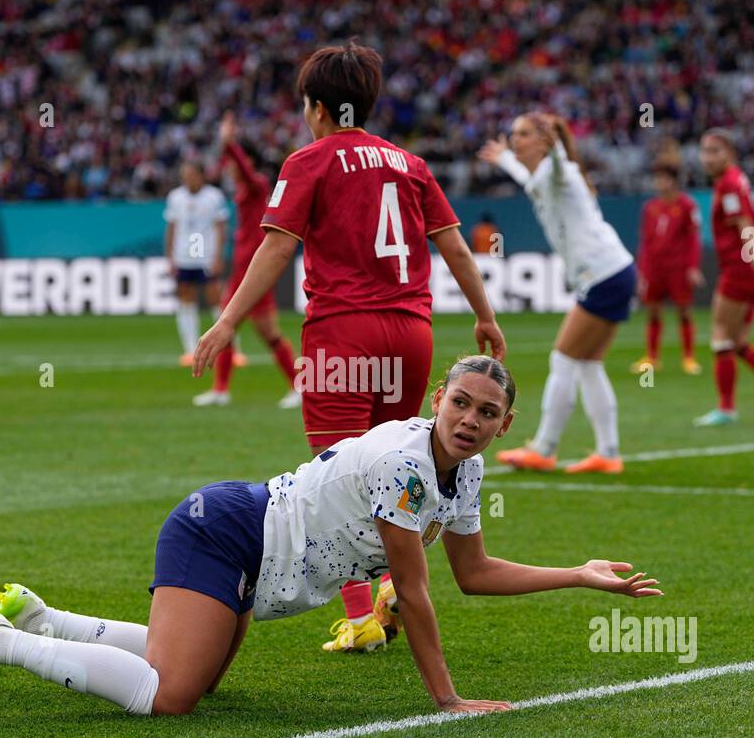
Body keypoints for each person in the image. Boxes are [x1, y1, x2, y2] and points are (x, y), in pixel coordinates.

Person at [0, 356, 662, 715]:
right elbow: (418, 594)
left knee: (195, 674)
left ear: (506, 424)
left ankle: (47, 619)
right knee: (172, 696)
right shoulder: (407, 463)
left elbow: (475, 573)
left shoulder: (464, 472)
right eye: (460, 402)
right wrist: (448, 700)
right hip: (226, 533)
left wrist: (578, 573)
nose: (470, 419)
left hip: (253, 553)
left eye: (486, 412)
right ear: (438, 398)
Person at [192, 41, 506, 654]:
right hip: (412, 333)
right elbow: (457, 249)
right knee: (393, 467)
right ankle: (391, 584)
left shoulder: (308, 161)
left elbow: (278, 247)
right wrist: (484, 315)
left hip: (344, 333)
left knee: (339, 479)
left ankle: (362, 616)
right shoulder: (411, 164)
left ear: (316, 108)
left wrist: (229, 320)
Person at [479, 113, 635, 475]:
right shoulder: (547, 174)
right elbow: (534, 182)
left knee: (563, 359)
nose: (515, 140)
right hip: (613, 272)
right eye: (513, 133)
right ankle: (608, 453)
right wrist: (507, 160)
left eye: (523, 134)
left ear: (544, 140)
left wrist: (513, 158)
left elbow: (547, 174)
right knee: (588, 365)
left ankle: (545, 448)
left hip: (604, 275)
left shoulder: (558, 167)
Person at [193, 111, 300, 408]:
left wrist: (229, 144)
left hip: (255, 271)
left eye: (232, 163)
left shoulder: (258, 185)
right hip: (241, 269)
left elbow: (242, 166)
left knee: (267, 333)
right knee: (226, 328)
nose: (228, 169)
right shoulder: (244, 190)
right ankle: (221, 390)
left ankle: (298, 386)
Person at [692, 128, 754, 427]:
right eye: (704, 151)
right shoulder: (734, 181)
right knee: (739, 341)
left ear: (730, 154)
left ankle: (727, 408)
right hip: (747, 268)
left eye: (714, 151)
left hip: (740, 268)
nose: (707, 158)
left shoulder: (730, 184)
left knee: (721, 337)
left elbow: (744, 225)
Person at [632, 160, 702, 375]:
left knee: (683, 311)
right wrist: (642, 271)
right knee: (652, 311)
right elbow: (645, 241)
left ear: (674, 181)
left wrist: (692, 267)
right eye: (657, 178)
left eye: (664, 178)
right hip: (655, 267)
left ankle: (689, 357)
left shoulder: (687, 206)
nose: (660, 183)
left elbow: (693, 238)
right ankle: (652, 357)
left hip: (678, 267)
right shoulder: (650, 208)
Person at [164, 160, 229, 367]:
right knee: (185, 300)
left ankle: (230, 349)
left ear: (201, 175)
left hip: (206, 256)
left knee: (215, 300)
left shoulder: (214, 196)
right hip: (183, 256)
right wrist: (170, 257)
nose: (187, 179)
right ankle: (190, 349)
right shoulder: (175, 197)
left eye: (191, 174)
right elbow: (172, 227)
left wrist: (218, 256)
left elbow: (221, 227)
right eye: (184, 175)